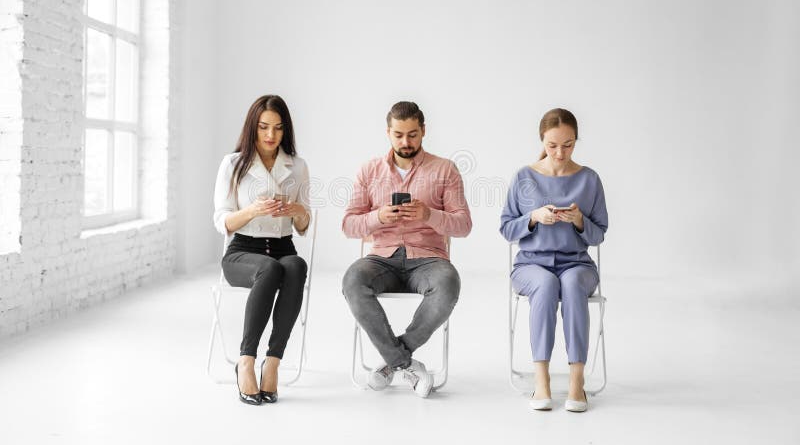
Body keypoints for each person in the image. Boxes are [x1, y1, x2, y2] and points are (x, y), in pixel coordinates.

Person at [342, 101, 472, 398]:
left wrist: (429, 215)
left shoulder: (445, 169)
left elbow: (463, 225)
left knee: (448, 283)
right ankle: (404, 363)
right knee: (353, 280)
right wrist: (378, 217)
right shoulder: (369, 170)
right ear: (388, 132)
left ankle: (392, 361)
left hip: (428, 259)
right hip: (381, 259)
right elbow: (348, 225)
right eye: (398, 135)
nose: (406, 142)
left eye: (413, 134)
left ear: (423, 131)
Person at [499, 108, 608, 413]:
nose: (560, 153)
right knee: (546, 285)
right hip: (531, 265)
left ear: (576, 141)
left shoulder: (589, 179)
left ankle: (577, 383)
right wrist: (533, 217)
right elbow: (506, 228)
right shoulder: (524, 177)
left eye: (568, 144)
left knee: (571, 284)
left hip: (577, 264)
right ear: (542, 141)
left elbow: (599, 235)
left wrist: (579, 221)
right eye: (552, 145)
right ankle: (542, 381)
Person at [213, 95, 311, 406]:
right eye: (264, 127)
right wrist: (253, 210)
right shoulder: (233, 163)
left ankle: (273, 362)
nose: (271, 136)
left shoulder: (297, 166)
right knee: (271, 268)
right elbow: (222, 220)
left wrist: (296, 210)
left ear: (286, 131)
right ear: (253, 128)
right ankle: (245, 361)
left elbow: (304, 225)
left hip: (283, 246)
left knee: (295, 266)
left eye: (278, 129)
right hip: (243, 250)